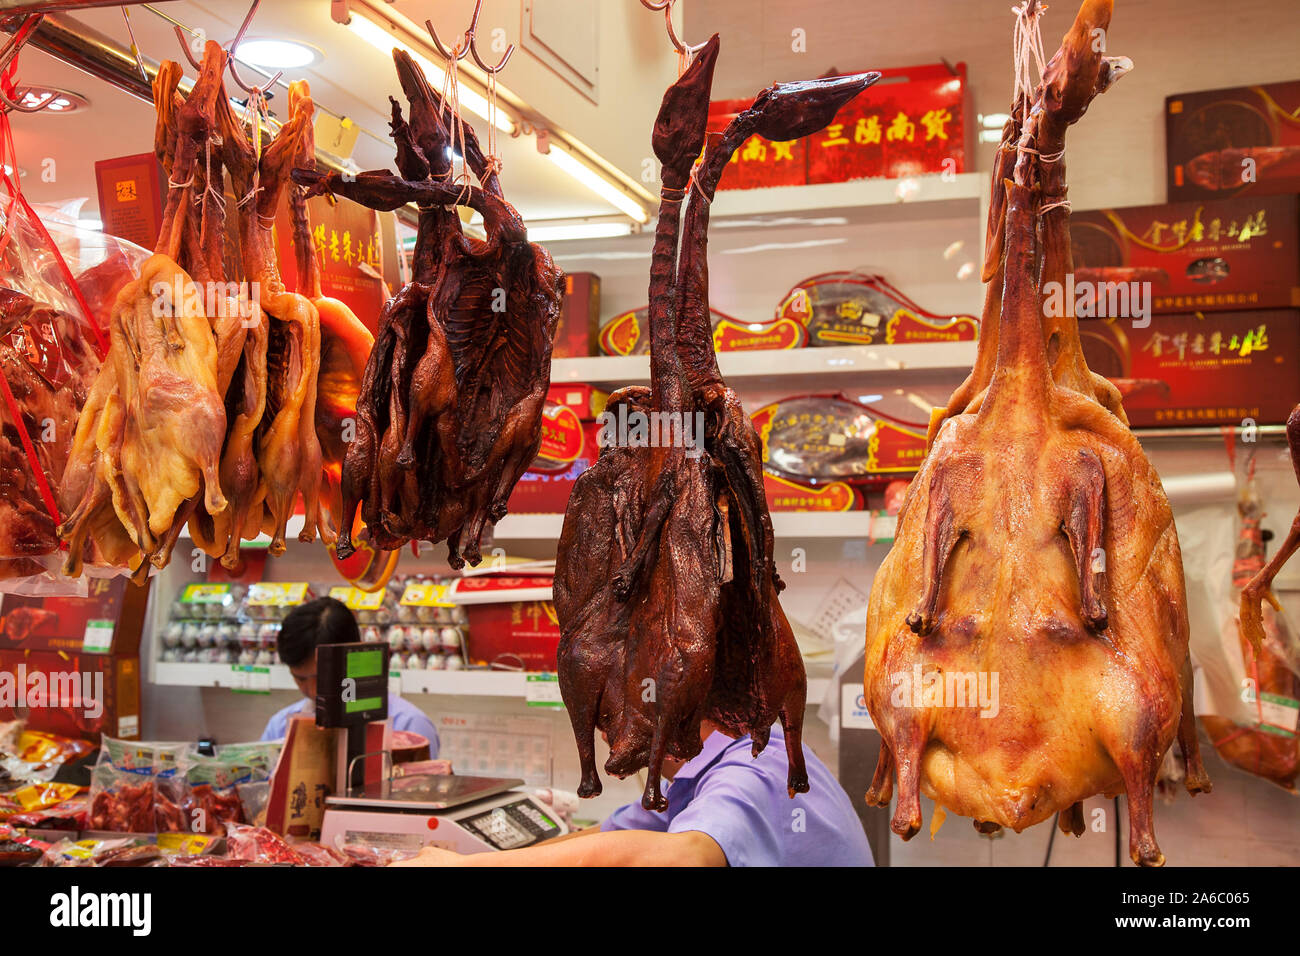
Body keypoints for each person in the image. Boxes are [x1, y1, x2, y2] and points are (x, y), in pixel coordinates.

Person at [392, 718, 871, 866]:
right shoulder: (689, 778)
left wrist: (469, 869)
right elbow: (606, 834)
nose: (599, 729)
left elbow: (686, 855)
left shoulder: (754, 760)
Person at [260, 597, 440, 755]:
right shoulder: (280, 726)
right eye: (300, 679)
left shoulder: (409, 725)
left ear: (354, 654)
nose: (313, 691)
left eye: (322, 677)